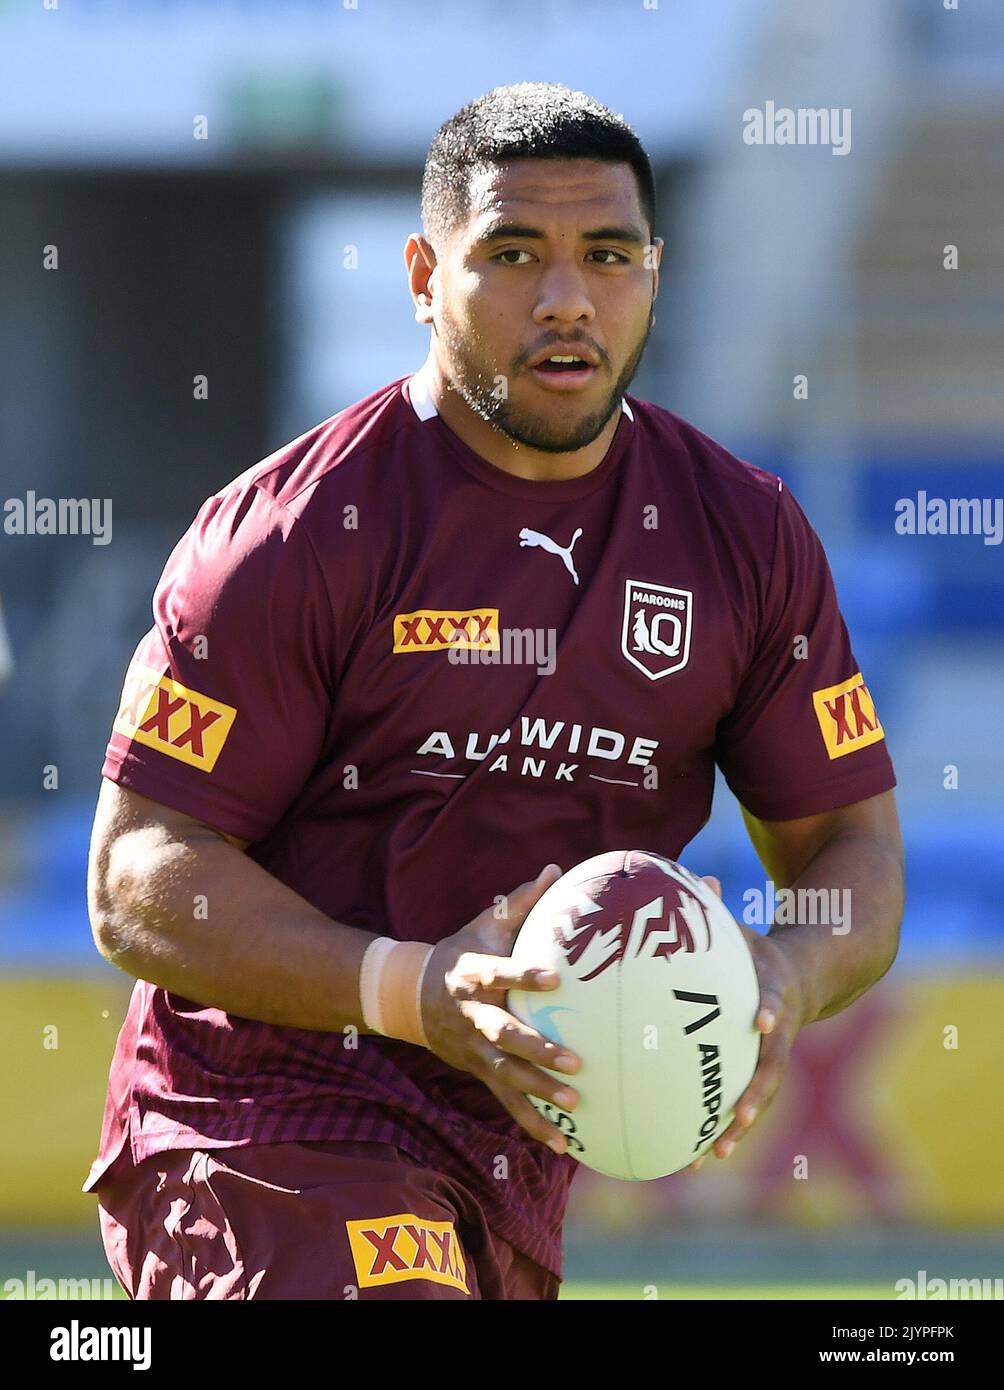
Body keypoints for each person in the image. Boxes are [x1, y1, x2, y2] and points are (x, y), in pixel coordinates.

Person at [84, 82, 903, 1301]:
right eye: (511, 253)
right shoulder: (294, 534)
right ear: (424, 274)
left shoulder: (744, 535)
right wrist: (411, 988)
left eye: (607, 255)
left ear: (654, 276)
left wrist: (778, 977)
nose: (566, 297)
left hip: (517, 1150)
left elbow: (850, 850)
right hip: (261, 1125)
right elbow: (137, 871)